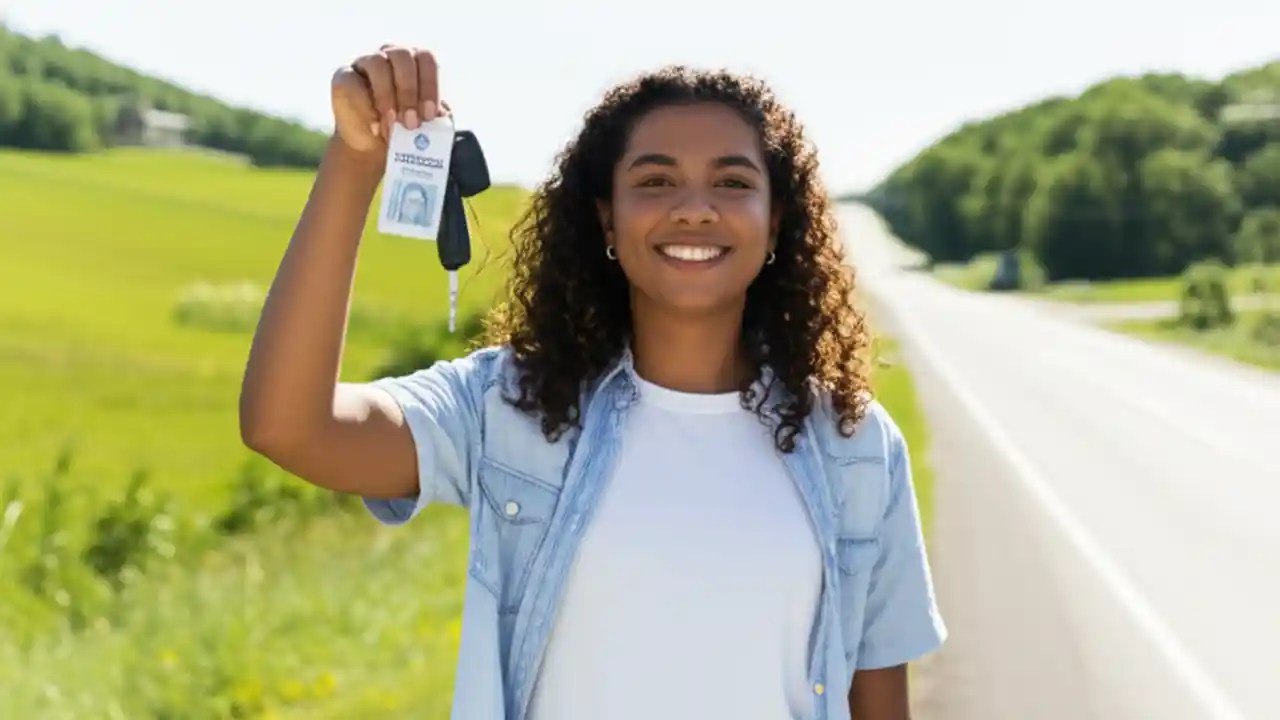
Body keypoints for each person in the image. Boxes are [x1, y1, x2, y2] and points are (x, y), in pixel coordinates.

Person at [239, 42, 946, 720]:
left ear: (777, 220)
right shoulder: (507, 406)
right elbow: (289, 427)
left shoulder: (855, 447)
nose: (694, 207)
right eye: (654, 181)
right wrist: (354, 162)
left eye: (733, 182)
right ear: (607, 215)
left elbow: (878, 699)